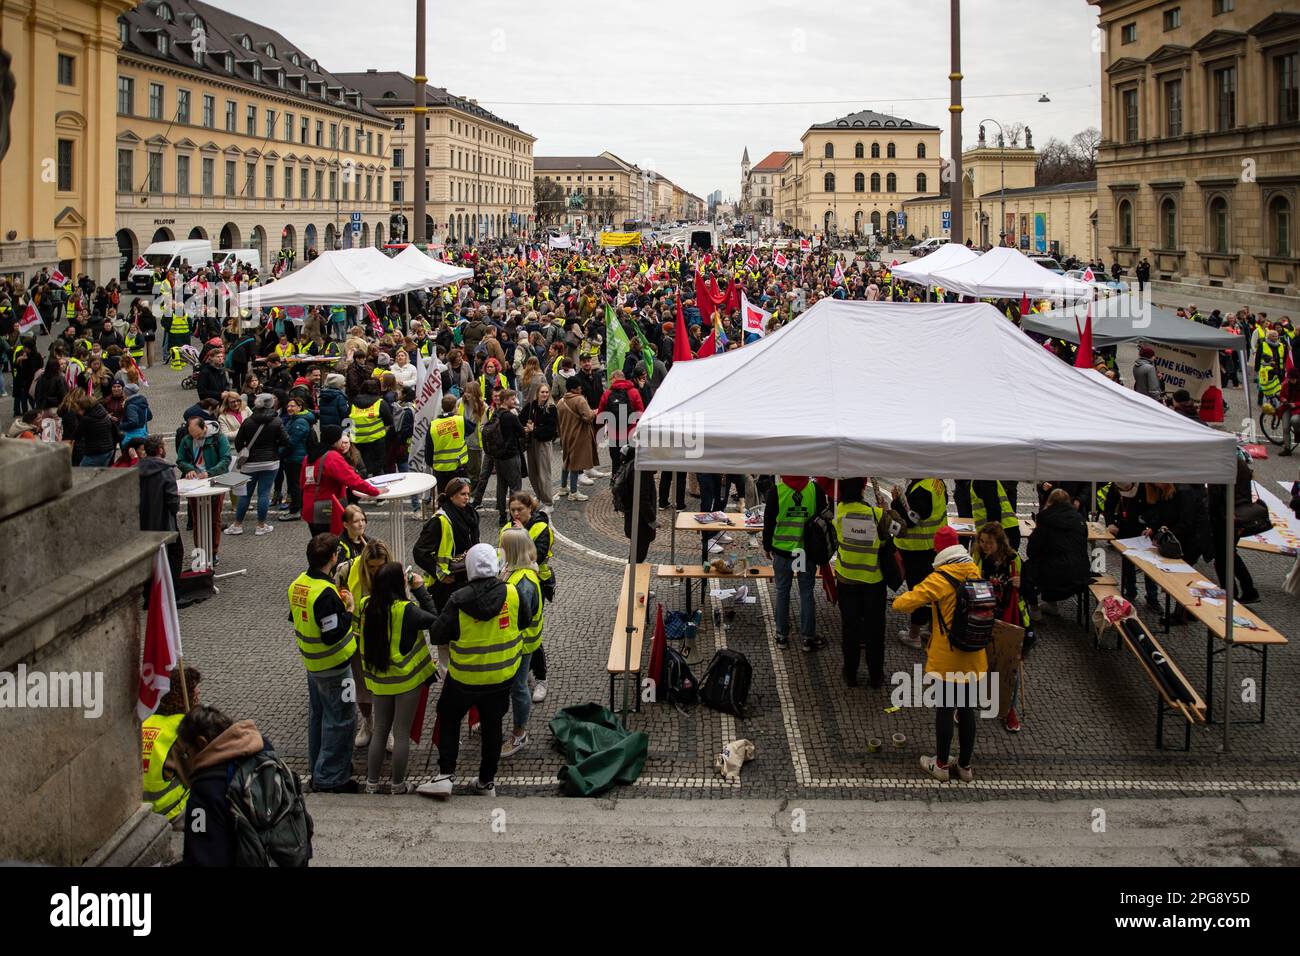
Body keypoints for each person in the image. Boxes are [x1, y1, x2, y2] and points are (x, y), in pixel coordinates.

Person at [417, 543, 534, 800]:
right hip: (502, 676)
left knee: (448, 717)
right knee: (493, 727)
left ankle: (445, 776)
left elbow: (437, 634)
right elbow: (524, 621)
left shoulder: (458, 600)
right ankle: (486, 782)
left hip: (464, 677)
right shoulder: (513, 593)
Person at [891, 526, 986, 782]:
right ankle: (965, 766)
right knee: (966, 710)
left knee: (945, 709)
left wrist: (898, 602)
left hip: (949, 656)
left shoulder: (940, 578)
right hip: (974, 651)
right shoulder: (973, 569)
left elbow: (906, 602)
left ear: (938, 549)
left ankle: (941, 764)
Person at [172, 705, 308, 866]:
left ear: (201, 743)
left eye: (185, 752)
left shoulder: (206, 789)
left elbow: (203, 857)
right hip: (290, 855)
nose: (184, 759)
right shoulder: (264, 748)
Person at [357, 563, 439, 794]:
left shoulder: (365, 605)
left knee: (380, 729)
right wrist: (421, 589)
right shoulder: (406, 610)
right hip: (405, 680)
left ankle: (371, 784)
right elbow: (435, 619)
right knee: (401, 733)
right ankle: (398, 785)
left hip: (379, 680)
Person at [287, 533, 359, 793]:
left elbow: (297, 619)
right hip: (335, 666)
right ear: (333, 557)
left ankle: (318, 765)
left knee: (318, 716)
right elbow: (332, 633)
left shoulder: (298, 584)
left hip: (312, 663)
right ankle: (331, 777)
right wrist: (348, 609)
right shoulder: (326, 593)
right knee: (342, 719)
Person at [972, 522, 1031, 733]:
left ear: (999, 542)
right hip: (983, 617)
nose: (985, 546)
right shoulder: (978, 558)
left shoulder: (1014, 560)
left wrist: (1021, 582)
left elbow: (1031, 588)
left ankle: (1008, 709)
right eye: (982, 541)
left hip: (1009, 618)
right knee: (977, 662)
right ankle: (966, 705)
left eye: (989, 542)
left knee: (1009, 666)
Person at [832, 478, 887, 687]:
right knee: (875, 631)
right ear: (863, 489)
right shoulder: (876, 514)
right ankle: (876, 675)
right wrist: (888, 510)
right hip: (873, 580)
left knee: (850, 629)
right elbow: (892, 536)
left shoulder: (839, 514)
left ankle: (850, 673)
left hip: (846, 580)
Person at [763, 475, 828, 652]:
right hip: (806, 552)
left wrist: (767, 546)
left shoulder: (777, 491)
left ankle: (781, 636)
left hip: (782, 551)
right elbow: (824, 520)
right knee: (806, 592)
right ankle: (808, 638)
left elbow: (768, 521)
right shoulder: (815, 490)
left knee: (782, 591)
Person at [499, 529, 543, 758]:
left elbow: (519, 616)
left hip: (521, 643)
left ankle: (519, 733)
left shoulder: (522, 582)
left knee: (519, 688)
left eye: (503, 547)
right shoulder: (523, 573)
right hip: (524, 642)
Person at [891, 477, 950, 648]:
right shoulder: (937, 482)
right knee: (933, 590)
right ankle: (931, 629)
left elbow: (910, 520)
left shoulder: (921, 490)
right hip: (934, 546)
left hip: (916, 549)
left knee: (919, 592)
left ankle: (914, 634)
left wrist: (896, 502)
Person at [141, 666, 202, 825]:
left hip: (141, 808)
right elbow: (197, 775)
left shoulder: (146, 722)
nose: (199, 691)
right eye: (194, 688)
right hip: (172, 811)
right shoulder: (183, 730)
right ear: (184, 696)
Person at [301, 424, 382, 536]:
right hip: (329, 508)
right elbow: (353, 480)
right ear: (336, 441)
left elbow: (302, 483)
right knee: (334, 544)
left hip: (310, 507)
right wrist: (375, 491)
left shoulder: (308, 457)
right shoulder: (332, 457)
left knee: (319, 545)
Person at [414, 476, 481, 610]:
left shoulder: (471, 514)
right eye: (462, 494)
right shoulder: (439, 520)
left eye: (468, 494)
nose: (467, 497)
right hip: (447, 583)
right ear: (451, 496)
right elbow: (419, 552)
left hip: (467, 576)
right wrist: (440, 574)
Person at [1022, 487, 1090, 618]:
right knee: (1052, 560)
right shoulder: (1080, 519)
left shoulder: (1044, 519)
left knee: (1027, 568)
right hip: (1080, 572)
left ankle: (1035, 609)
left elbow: (1032, 551)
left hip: (1055, 574)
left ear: (1050, 502)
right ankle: (1051, 604)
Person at [227, 393, 287, 537]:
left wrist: (245, 451)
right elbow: (285, 440)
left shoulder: (248, 421)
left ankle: (238, 524)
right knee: (264, 494)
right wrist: (274, 447)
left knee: (245, 495)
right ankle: (261, 525)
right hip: (271, 461)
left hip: (250, 463)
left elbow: (238, 441)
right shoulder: (276, 421)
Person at [470, 386, 525, 527]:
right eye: (513, 399)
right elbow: (521, 432)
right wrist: (528, 429)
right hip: (511, 456)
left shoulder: (494, 414)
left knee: (501, 487)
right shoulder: (510, 416)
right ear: (506, 400)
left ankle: (502, 516)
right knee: (515, 487)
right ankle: (514, 517)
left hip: (498, 457)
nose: (515, 401)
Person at [595, 371, 644, 479]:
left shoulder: (607, 394)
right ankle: (631, 490)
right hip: (631, 434)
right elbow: (640, 413)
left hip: (614, 435)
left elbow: (600, 416)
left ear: (614, 378)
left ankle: (616, 488)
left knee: (616, 463)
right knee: (631, 463)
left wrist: (599, 432)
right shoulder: (634, 392)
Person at [426, 393, 474, 497]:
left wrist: (430, 463)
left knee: (443, 496)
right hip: (458, 467)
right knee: (459, 495)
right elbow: (472, 428)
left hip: (440, 469)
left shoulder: (433, 425)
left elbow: (429, 449)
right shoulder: (460, 420)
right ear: (454, 407)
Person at [556, 381, 597, 500]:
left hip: (565, 435)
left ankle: (563, 487)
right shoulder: (579, 400)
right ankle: (573, 492)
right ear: (574, 389)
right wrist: (593, 413)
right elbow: (588, 417)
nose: (580, 390)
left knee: (566, 461)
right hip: (578, 435)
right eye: (579, 388)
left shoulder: (560, 401)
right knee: (575, 463)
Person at [520, 382, 558, 509]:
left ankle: (548, 502)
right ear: (537, 393)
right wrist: (525, 428)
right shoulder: (532, 406)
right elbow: (520, 419)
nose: (545, 394)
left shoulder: (551, 408)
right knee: (533, 473)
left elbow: (551, 431)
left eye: (547, 392)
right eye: (542, 392)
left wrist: (534, 430)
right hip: (531, 444)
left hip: (543, 444)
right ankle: (540, 495)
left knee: (544, 474)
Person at [278, 395, 315, 521]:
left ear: (300, 407)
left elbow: (292, 442)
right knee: (297, 485)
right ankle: (300, 508)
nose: (289, 408)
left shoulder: (300, 421)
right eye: (288, 406)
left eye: (293, 406)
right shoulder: (294, 419)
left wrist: (280, 454)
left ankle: (295, 510)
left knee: (295, 485)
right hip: (295, 457)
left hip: (296, 458)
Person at [349, 378, 393, 478]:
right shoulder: (380, 403)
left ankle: (361, 491)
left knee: (361, 469)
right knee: (378, 470)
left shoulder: (353, 403)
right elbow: (389, 421)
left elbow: (346, 421)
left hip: (358, 442)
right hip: (377, 442)